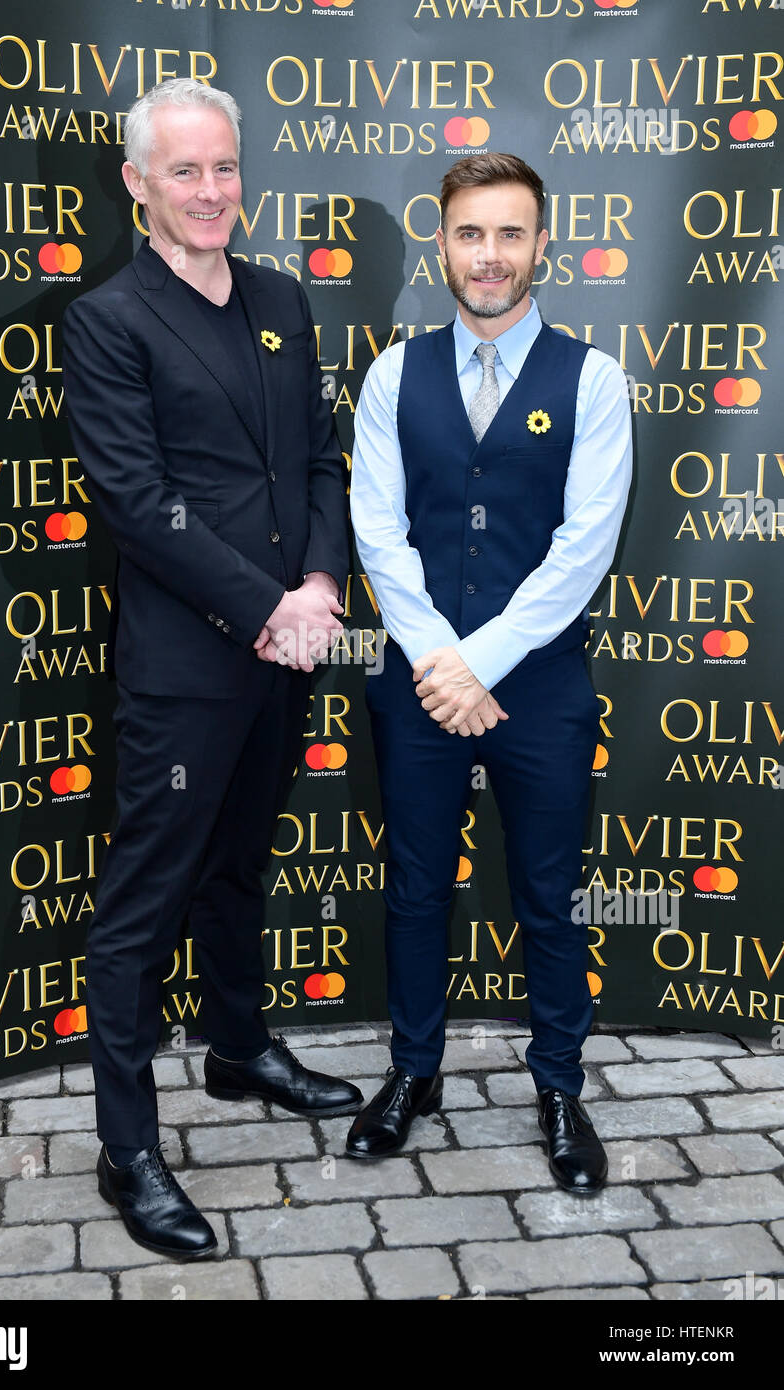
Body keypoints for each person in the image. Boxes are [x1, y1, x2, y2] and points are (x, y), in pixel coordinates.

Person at [61, 77, 362, 1261]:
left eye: (224, 167)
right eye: (182, 171)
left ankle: (238, 1048)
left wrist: (324, 589)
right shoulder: (108, 317)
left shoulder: (282, 297)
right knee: (144, 904)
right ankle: (125, 1145)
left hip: (287, 649)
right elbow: (136, 501)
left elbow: (321, 465)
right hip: (193, 664)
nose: (210, 191)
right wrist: (266, 609)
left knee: (243, 865)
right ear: (136, 185)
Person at [347, 153, 632, 1195]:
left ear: (541, 244)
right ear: (441, 244)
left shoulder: (592, 379)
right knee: (416, 890)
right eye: (470, 234)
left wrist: (478, 664)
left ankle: (557, 1084)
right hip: (418, 681)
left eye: (509, 234)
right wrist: (437, 663)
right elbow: (377, 530)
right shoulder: (391, 374)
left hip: (541, 684)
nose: (489, 256)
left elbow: (583, 547)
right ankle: (412, 1074)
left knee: (546, 896)